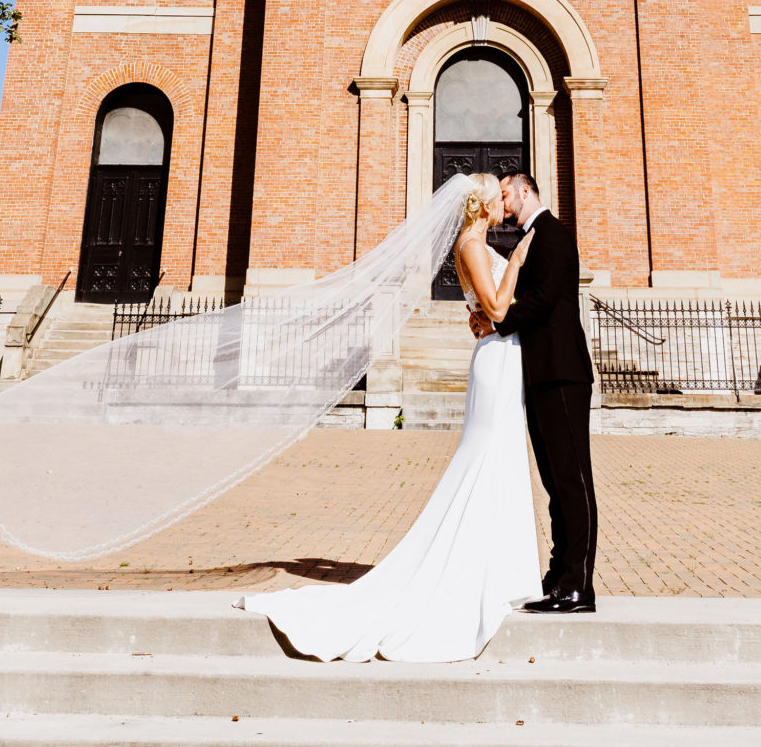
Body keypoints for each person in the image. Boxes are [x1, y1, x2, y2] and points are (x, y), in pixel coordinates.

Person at [239, 172, 542, 661]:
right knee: (484, 460)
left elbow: (487, 310)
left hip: (502, 358)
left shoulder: (475, 242)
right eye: (495, 195)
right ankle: (473, 571)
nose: (502, 201)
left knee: (499, 461)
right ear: (480, 206)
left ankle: (500, 568)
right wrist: (519, 263)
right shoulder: (470, 244)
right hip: (496, 358)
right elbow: (498, 307)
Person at [470, 170, 597, 613]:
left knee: (572, 479)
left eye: (505, 194)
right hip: (540, 373)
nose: (502, 203)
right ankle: (559, 578)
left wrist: (499, 321)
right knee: (554, 481)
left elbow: (542, 300)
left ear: (525, 191)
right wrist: (490, 317)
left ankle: (578, 584)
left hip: (562, 373)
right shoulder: (531, 237)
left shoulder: (552, 235)